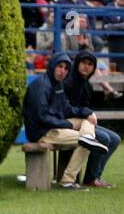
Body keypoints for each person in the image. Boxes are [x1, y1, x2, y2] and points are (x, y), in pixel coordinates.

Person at [22, 52, 109, 189]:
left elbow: (67, 109)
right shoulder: (41, 86)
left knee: (87, 122)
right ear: (52, 66)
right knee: (87, 143)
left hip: (55, 126)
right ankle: (67, 181)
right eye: (60, 66)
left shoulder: (58, 84)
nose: (63, 71)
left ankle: (88, 137)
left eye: (66, 68)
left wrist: (88, 113)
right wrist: (66, 124)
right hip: (42, 132)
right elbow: (42, 117)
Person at [66, 50, 118, 188]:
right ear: (77, 63)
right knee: (104, 138)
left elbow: (85, 108)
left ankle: (95, 176)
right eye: (83, 63)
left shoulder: (86, 85)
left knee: (115, 139)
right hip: (67, 123)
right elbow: (65, 109)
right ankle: (91, 178)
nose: (86, 66)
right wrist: (86, 113)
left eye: (90, 64)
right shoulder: (69, 81)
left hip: (83, 123)